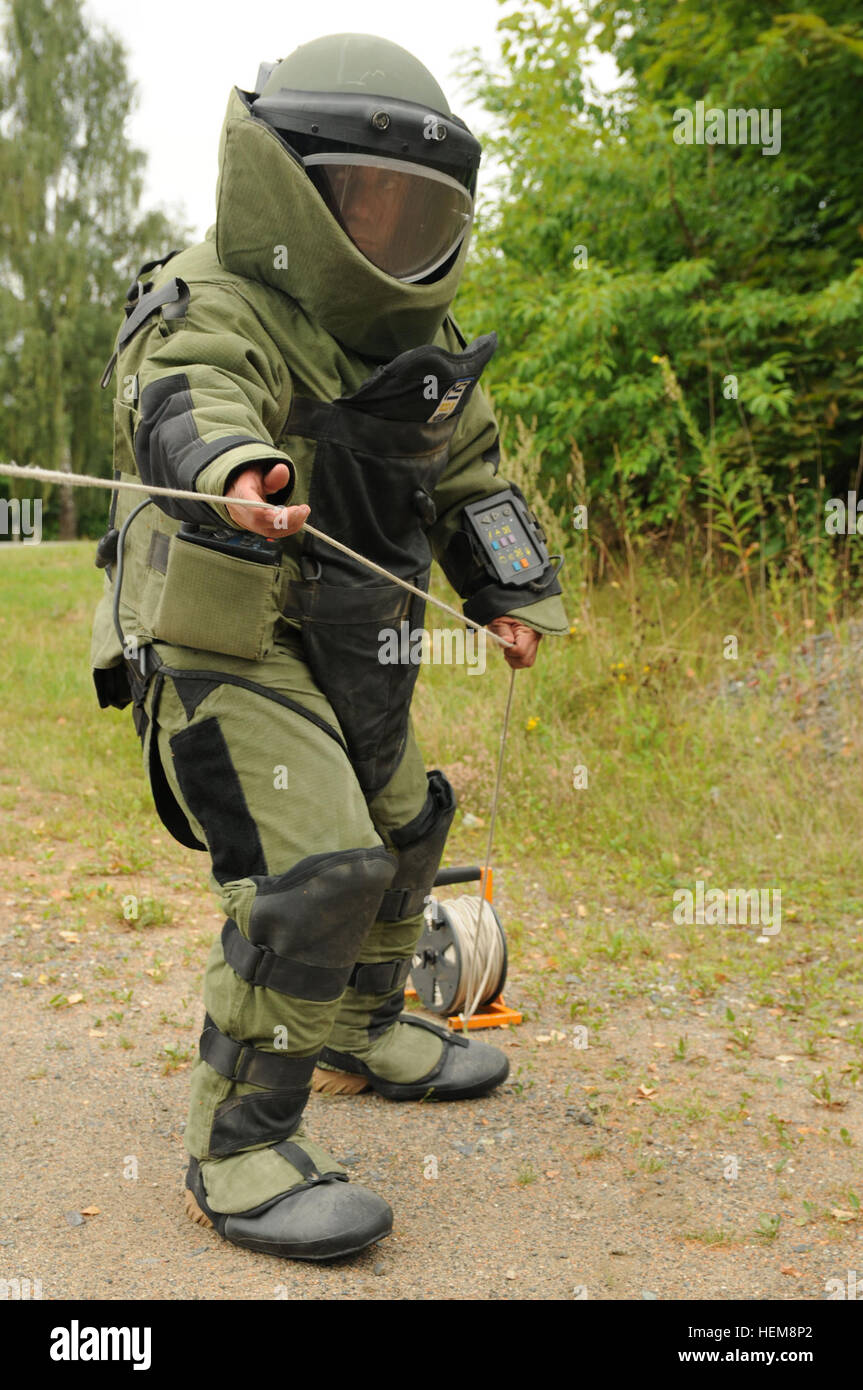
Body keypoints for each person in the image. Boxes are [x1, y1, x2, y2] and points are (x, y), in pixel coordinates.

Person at [90, 32, 568, 1262]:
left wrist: (509, 588)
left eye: (416, 209)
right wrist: (233, 469)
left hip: (360, 641)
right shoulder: (215, 295)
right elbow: (188, 388)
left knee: (410, 823)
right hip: (225, 638)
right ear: (287, 187)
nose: (388, 227)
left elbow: (472, 481)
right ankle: (240, 1144)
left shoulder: (427, 358)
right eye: (364, 196)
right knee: (321, 865)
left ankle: (363, 1024)